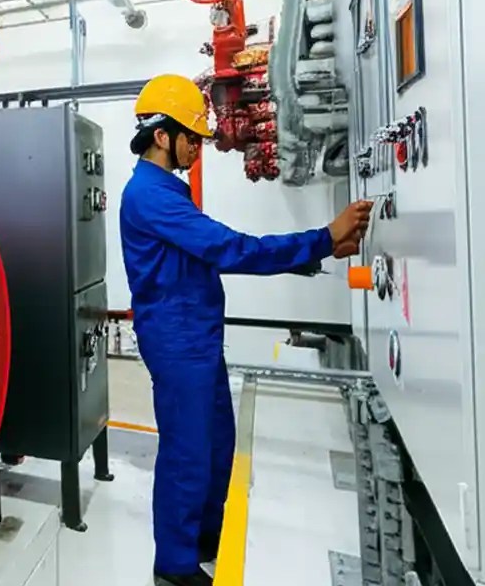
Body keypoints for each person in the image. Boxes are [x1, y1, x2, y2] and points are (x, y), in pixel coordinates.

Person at [119, 75, 372, 586]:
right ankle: (173, 565)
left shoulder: (167, 191)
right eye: (192, 136)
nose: (198, 146)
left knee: (216, 443)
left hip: (197, 338)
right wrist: (322, 239)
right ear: (162, 136)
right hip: (177, 343)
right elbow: (229, 249)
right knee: (187, 452)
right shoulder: (149, 194)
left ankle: (202, 539)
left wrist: (318, 252)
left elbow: (209, 254)